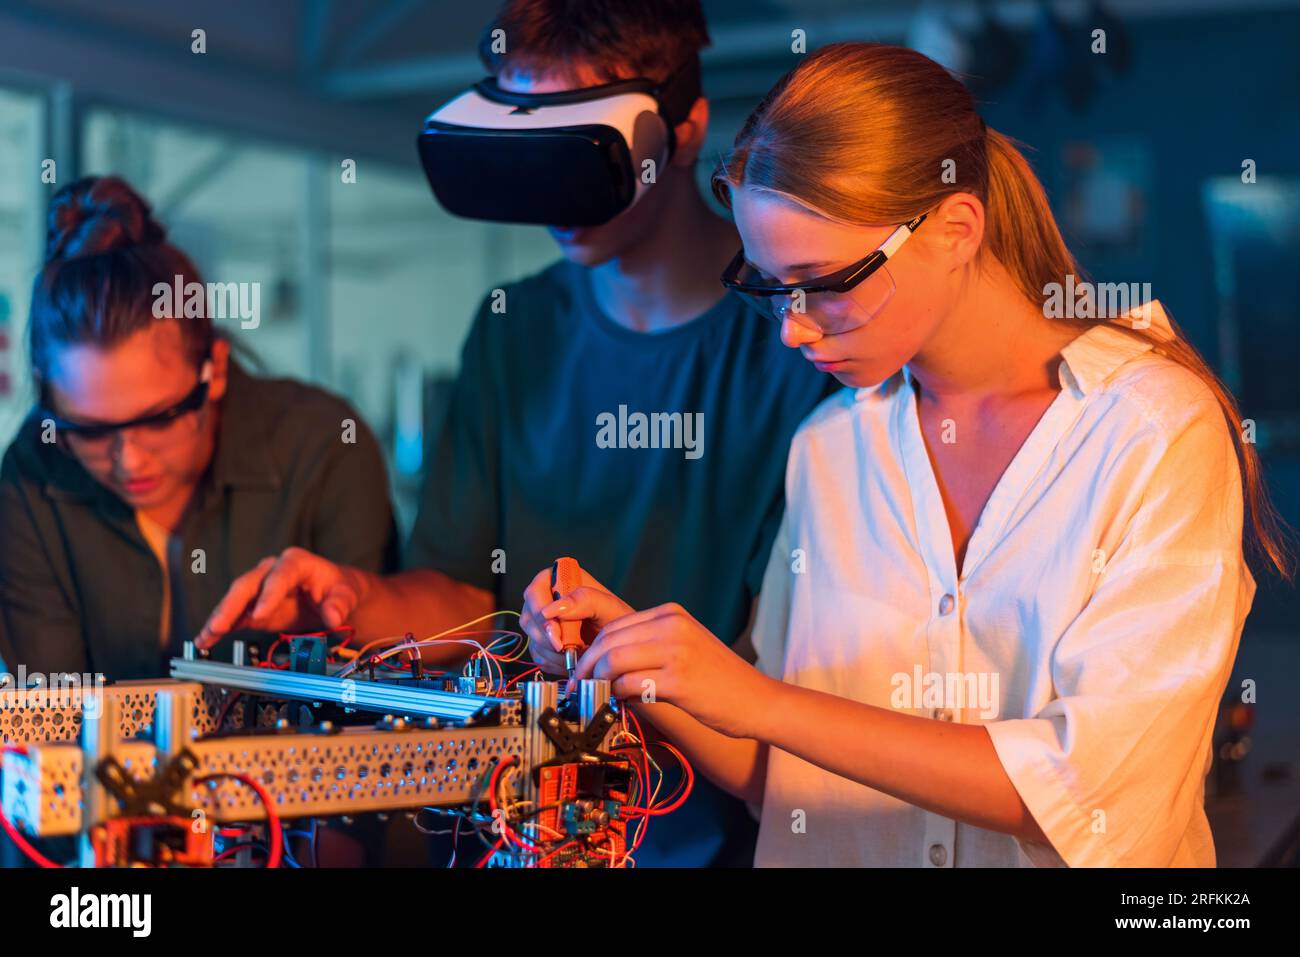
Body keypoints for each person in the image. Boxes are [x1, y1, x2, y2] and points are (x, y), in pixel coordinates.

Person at [527, 42, 1295, 867]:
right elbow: (776, 773)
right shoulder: (831, 446)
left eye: (826, 281)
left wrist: (759, 698)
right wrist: (636, 659)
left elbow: (1091, 792)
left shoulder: (1148, 431)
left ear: (957, 228)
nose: (793, 327)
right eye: (773, 287)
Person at [195, 0, 834, 867]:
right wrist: (356, 595)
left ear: (684, 129)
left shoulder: (802, 343)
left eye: (579, 157)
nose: (552, 200)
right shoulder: (512, 329)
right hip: (520, 829)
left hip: (720, 838)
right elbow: (467, 598)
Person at [0, 175, 398, 682]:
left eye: (160, 419)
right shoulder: (32, 472)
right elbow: (49, 719)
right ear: (46, 397)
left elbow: (379, 678)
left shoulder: (323, 447)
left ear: (215, 368)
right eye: (90, 431)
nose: (130, 460)